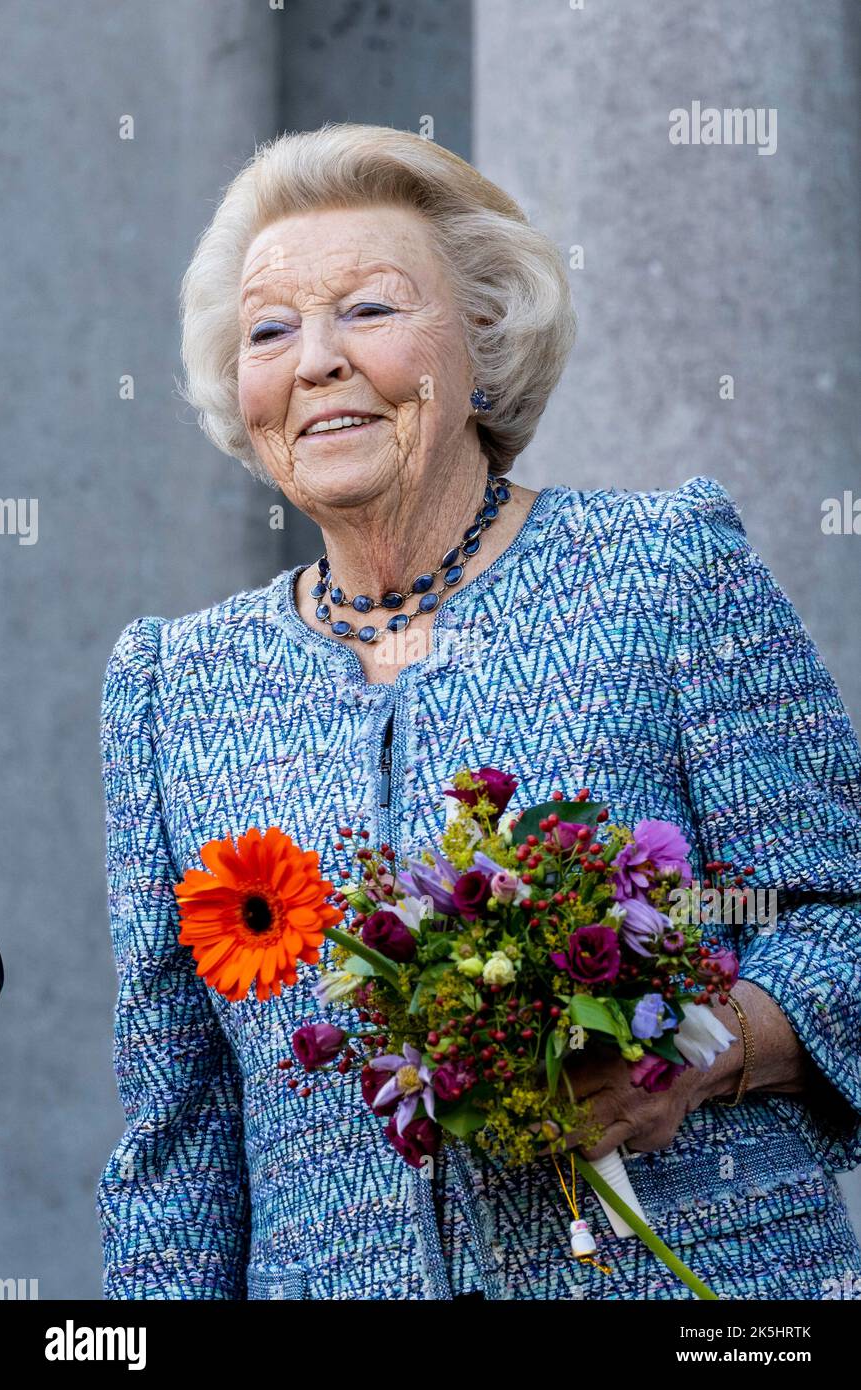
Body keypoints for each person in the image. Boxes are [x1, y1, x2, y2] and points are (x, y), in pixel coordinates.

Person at [96, 122, 861, 1300]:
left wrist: (695, 1054)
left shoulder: (657, 573)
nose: (315, 361)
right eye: (269, 330)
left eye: (369, 308)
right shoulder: (171, 688)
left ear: (483, 344)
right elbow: (178, 1130)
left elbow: (841, 916)